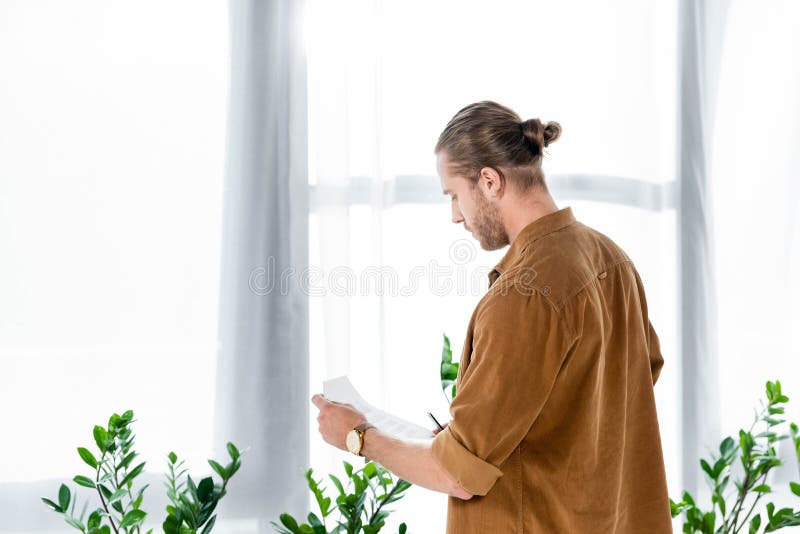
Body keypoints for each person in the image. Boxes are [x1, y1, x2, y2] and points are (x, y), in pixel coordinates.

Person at [311, 101, 672, 533]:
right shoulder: (612, 259)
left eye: (454, 195)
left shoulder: (523, 293)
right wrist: (486, 424)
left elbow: (458, 475)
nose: (455, 216)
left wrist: (358, 436)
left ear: (489, 181)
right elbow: (625, 382)